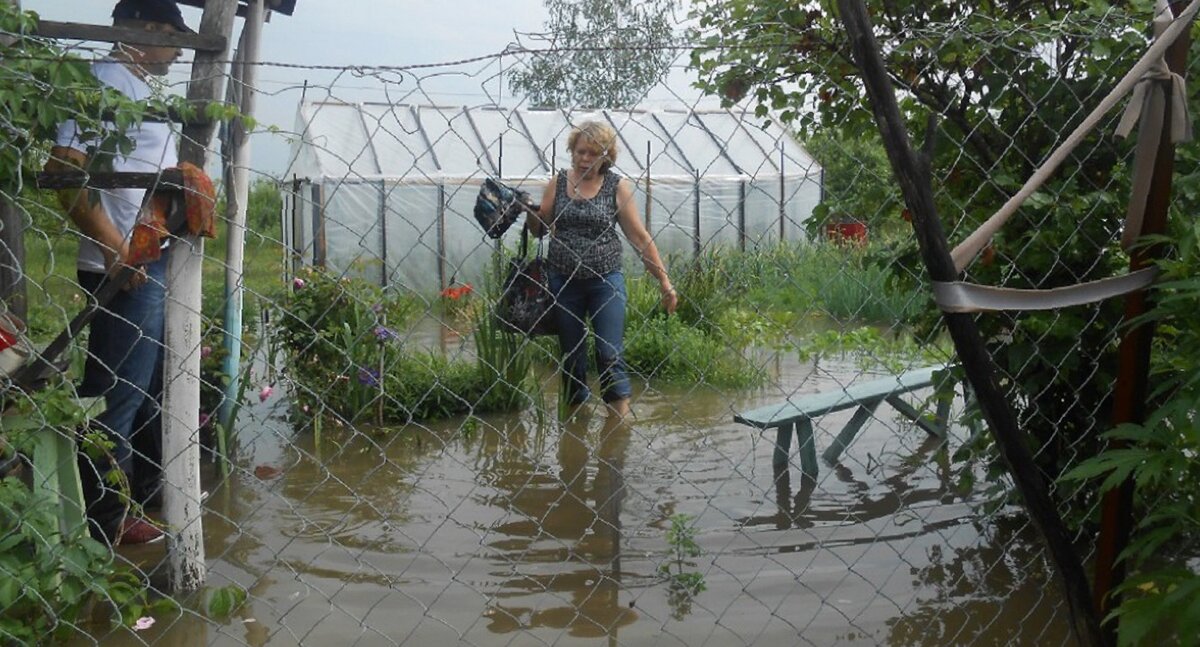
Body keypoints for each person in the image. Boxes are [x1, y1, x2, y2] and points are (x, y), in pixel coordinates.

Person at [43, 0, 191, 545]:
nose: (180, 52)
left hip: (144, 258)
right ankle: (106, 521)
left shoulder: (132, 87)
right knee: (117, 392)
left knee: (143, 386)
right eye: (177, 38)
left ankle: (138, 496)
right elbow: (64, 170)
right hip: (124, 268)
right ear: (147, 31)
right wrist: (115, 247)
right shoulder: (105, 82)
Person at [529, 121, 678, 417]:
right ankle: (576, 424)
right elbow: (539, 229)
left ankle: (618, 422)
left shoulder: (616, 186)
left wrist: (664, 280)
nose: (585, 158)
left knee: (609, 353)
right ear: (572, 151)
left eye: (593, 153)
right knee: (573, 357)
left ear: (606, 156)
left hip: (604, 281)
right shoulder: (558, 182)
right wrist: (531, 213)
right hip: (563, 281)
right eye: (581, 151)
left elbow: (638, 237)